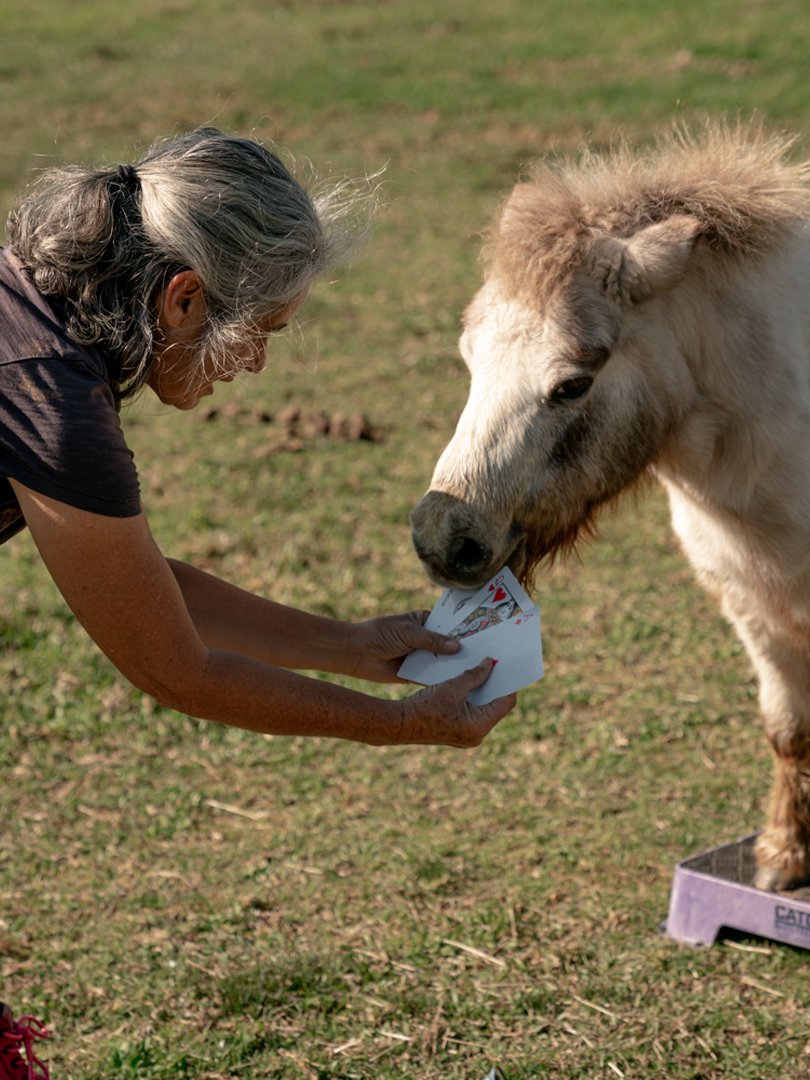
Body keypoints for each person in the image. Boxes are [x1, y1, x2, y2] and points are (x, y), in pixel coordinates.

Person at [0, 128, 515, 1078]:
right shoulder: (46, 397)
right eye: (262, 333)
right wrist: (403, 727)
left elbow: (144, 590)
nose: (257, 366)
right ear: (184, 297)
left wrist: (355, 645)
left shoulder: (31, 323)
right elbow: (175, 669)